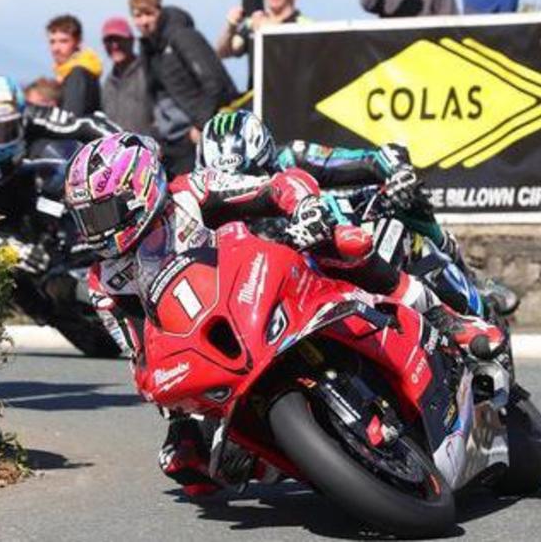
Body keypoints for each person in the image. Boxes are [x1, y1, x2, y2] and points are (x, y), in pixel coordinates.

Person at [66, 132, 504, 496]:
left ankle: (448, 319)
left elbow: (277, 186)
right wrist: (173, 406)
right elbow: (139, 353)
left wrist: (305, 209)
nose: (94, 230)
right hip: (210, 343)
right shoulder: (105, 280)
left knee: (345, 243)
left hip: (269, 273)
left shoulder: (192, 192)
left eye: (101, 214)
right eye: (85, 219)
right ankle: (284, 453)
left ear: (140, 190)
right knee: (188, 466)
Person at [196, 109, 519, 317]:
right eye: (232, 184)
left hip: (344, 248)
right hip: (278, 284)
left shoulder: (292, 158)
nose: (248, 189)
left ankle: (470, 284)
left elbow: (377, 158)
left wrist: (398, 173)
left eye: (253, 176)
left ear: (267, 156)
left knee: (405, 202)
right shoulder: (201, 204)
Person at [0, 75, 116, 279]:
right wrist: (17, 252)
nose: (1, 136)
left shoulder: (27, 113)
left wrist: (130, 146)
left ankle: (84, 238)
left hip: (21, 190)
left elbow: (84, 124)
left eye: (8, 128)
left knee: (53, 172)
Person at [130, 0, 238, 176]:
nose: (144, 21)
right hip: (170, 142)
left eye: (149, 14)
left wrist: (201, 125)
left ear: (159, 11)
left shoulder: (182, 36)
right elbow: (154, 96)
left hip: (198, 137)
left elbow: (216, 81)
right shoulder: (148, 49)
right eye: (138, 15)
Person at [216, 0, 309, 89]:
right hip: (257, 97)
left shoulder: (304, 26)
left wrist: (269, 32)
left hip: (289, 97)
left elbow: (303, 64)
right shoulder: (252, 24)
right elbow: (223, 52)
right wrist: (231, 26)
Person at [99, 16, 154, 135]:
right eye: (109, 41)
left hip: (150, 144)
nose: (115, 45)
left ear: (132, 41)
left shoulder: (148, 71)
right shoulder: (107, 84)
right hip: (118, 146)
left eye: (119, 40)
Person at [47, 14, 103, 116]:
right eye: (52, 42)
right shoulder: (68, 73)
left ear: (78, 42)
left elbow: (71, 119)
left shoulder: (78, 74)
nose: (56, 48)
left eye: (63, 41)